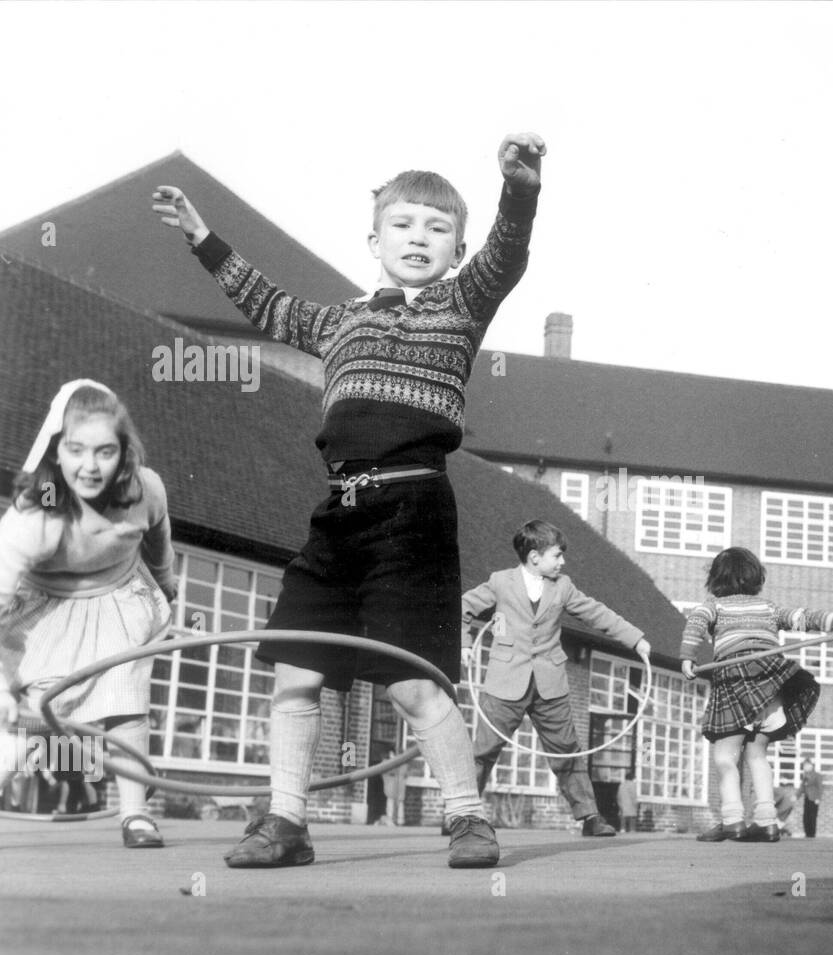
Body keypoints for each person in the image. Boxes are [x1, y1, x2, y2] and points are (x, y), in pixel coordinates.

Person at [152, 133, 547, 869]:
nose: (419, 239)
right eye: (403, 224)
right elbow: (264, 302)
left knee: (409, 683)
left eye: (438, 230)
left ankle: (467, 816)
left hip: (413, 512)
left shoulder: (461, 306)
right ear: (375, 238)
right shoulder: (337, 321)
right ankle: (286, 821)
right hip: (338, 515)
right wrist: (202, 238)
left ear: (457, 251)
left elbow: (508, 255)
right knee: (296, 673)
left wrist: (520, 190)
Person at [0, 381, 177, 846]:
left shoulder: (145, 490)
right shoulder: (35, 514)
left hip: (119, 601)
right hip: (46, 610)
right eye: (76, 450)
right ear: (57, 452)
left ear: (125, 452)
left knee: (126, 704)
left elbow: (158, 539)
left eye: (105, 451)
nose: (90, 466)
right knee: (29, 712)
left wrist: (166, 583)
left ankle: (136, 816)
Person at [462, 520, 651, 837]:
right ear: (534, 557)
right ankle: (462, 813)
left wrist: (635, 639)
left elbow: (597, 613)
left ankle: (590, 817)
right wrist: (464, 643)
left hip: (550, 683)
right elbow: (464, 606)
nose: (562, 562)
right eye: (557, 555)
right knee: (483, 749)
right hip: (504, 681)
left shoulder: (563, 587)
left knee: (568, 750)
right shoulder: (500, 582)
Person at [681, 547, 833, 843]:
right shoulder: (768, 608)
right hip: (769, 682)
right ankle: (767, 821)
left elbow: (695, 624)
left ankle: (732, 821)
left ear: (716, 580)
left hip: (734, 680)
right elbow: (804, 617)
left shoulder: (713, 606)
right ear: (756, 578)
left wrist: (688, 657)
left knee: (725, 757)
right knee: (757, 754)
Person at [796, 758, 823, 838]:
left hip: (814, 799)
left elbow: (820, 788)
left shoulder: (817, 775)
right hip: (807, 798)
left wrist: (818, 798)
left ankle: (812, 834)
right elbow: (802, 788)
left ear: (811, 765)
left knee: (812, 817)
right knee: (806, 817)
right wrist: (796, 796)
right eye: (804, 766)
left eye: (806, 765)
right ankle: (807, 834)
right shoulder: (805, 776)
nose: (805, 767)